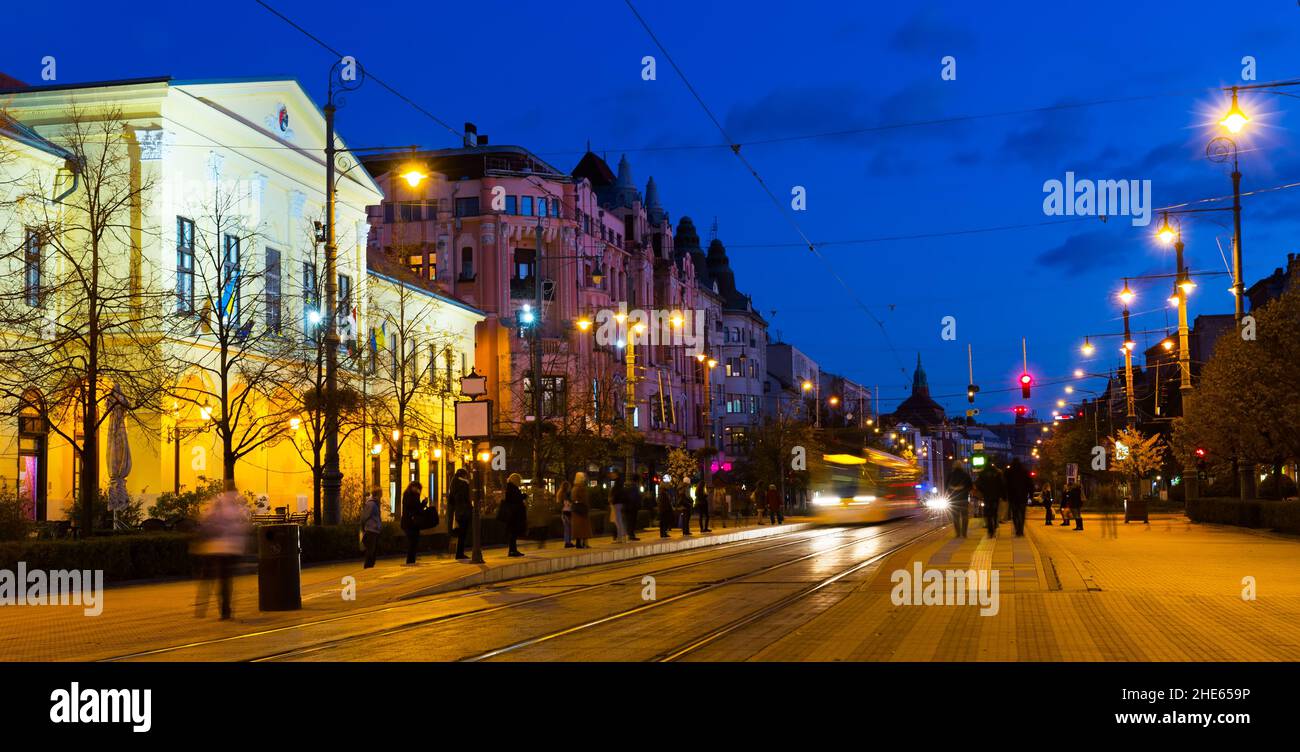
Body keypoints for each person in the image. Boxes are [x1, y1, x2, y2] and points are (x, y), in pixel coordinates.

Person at [194, 489, 250, 620]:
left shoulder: (215, 508)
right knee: (224, 581)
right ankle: (224, 610)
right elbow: (240, 529)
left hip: (214, 550)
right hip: (227, 550)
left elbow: (203, 524)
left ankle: (204, 608)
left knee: (210, 579)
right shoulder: (234, 509)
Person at [498, 473, 528, 557]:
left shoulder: (510, 487)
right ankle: (512, 551)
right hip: (514, 515)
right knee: (513, 533)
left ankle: (513, 550)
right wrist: (524, 496)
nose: (520, 482)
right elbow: (515, 499)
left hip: (513, 514)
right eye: (519, 480)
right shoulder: (512, 488)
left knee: (513, 533)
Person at [975, 462, 1005, 538]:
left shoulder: (982, 474)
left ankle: (990, 530)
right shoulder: (997, 473)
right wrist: (1003, 494)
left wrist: (982, 491)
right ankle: (994, 526)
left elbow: (978, 484)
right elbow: (1002, 484)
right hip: (996, 496)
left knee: (987, 512)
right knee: (995, 512)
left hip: (987, 496)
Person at [399, 481, 426, 564]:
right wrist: (422, 503)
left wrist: (423, 503)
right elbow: (414, 507)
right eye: (417, 488)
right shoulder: (408, 495)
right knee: (412, 541)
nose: (418, 490)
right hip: (409, 523)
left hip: (413, 523)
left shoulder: (413, 495)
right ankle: (410, 561)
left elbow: (417, 508)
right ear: (412, 487)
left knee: (414, 542)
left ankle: (411, 560)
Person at [945, 460, 972, 538]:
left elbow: (946, 486)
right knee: (965, 516)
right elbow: (970, 486)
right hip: (964, 499)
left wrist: (952, 490)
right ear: (961, 466)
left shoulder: (950, 475)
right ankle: (964, 533)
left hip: (954, 499)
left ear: (954, 466)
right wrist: (963, 489)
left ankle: (958, 533)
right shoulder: (966, 475)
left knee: (955, 517)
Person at [1005, 460, 1032, 537]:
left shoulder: (1009, 472)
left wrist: (1005, 495)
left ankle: (1017, 529)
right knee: (1022, 514)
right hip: (1023, 497)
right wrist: (1031, 494)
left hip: (1012, 497)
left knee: (1015, 514)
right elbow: (1030, 484)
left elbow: (1005, 484)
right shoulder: (1025, 472)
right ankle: (1021, 530)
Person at [449, 469, 472, 559]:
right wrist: (470, 507)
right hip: (464, 512)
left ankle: (459, 553)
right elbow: (466, 499)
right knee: (463, 533)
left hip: (457, 512)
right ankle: (459, 553)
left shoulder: (453, 484)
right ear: (463, 475)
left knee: (460, 534)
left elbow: (451, 500)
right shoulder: (464, 484)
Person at [360, 487, 383, 568]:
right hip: (371, 530)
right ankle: (368, 567)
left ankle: (370, 566)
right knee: (371, 551)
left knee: (373, 551)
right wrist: (363, 528)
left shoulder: (375, 503)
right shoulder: (371, 504)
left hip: (375, 530)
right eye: (381, 493)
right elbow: (365, 517)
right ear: (378, 494)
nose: (382, 495)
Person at [571, 472, 592, 548]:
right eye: (583, 477)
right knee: (582, 527)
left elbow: (574, 498)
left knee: (579, 527)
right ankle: (582, 543)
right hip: (581, 510)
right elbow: (583, 498)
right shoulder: (580, 488)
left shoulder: (575, 487)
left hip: (577, 510)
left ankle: (580, 542)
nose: (584, 478)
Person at [609, 470, 628, 543]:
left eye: (613, 473)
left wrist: (612, 499)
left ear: (616, 474)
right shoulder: (619, 482)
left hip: (617, 503)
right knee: (619, 520)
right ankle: (621, 537)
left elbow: (616, 494)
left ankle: (620, 537)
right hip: (618, 503)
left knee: (618, 521)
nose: (611, 475)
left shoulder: (618, 483)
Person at [622, 473, 642, 541]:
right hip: (632, 508)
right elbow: (633, 498)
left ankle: (630, 534)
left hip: (629, 507)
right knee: (632, 522)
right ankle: (631, 535)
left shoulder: (629, 486)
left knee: (630, 522)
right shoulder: (634, 487)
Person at [557, 480, 574, 548]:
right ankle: (568, 542)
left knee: (567, 528)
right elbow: (568, 503)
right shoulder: (566, 495)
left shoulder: (560, 494)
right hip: (567, 512)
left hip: (563, 512)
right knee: (568, 528)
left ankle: (568, 542)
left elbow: (560, 504)